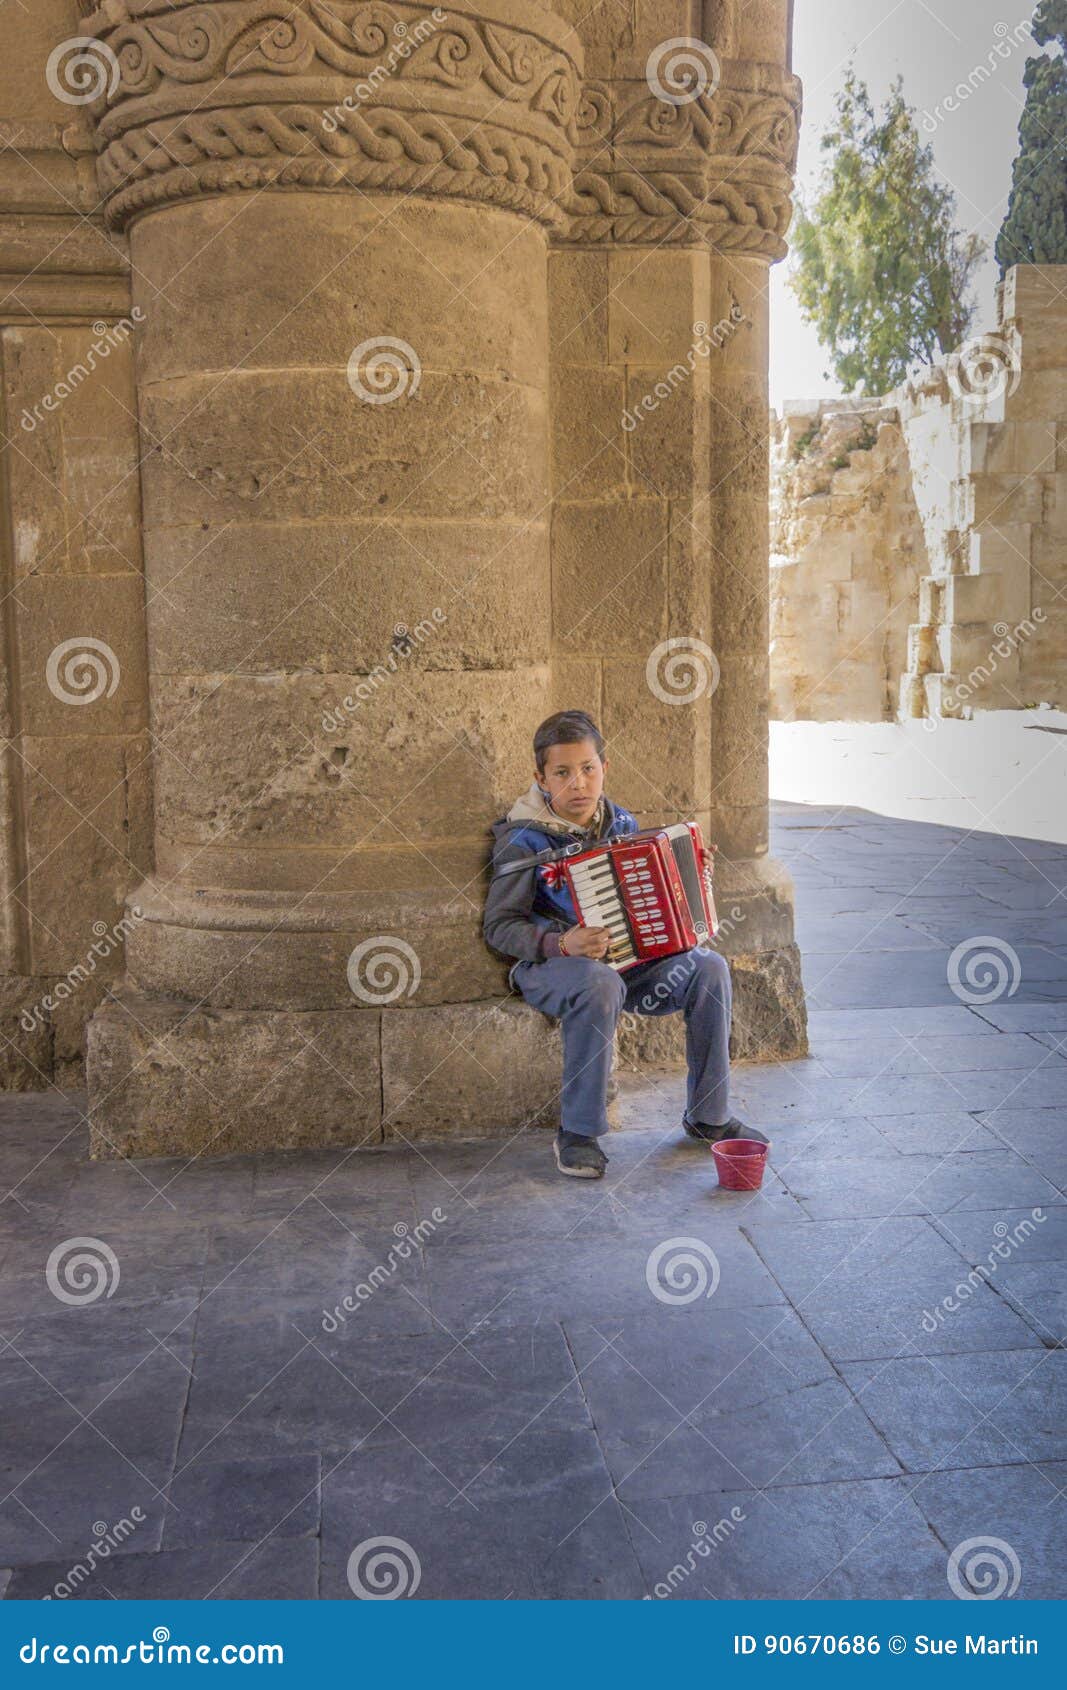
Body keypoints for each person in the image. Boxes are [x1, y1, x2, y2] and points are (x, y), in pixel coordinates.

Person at [483, 709, 765, 1179]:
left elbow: (648, 902)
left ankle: (708, 1115)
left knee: (709, 967)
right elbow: (499, 928)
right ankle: (578, 1133)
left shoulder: (621, 824)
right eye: (562, 773)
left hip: (629, 964)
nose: (578, 783)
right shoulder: (524, 840)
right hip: (551, 968)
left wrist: (693, 877)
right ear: (541, 778)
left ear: (605, 768)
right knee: (600, 984)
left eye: (588, 768)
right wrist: (561, 942)